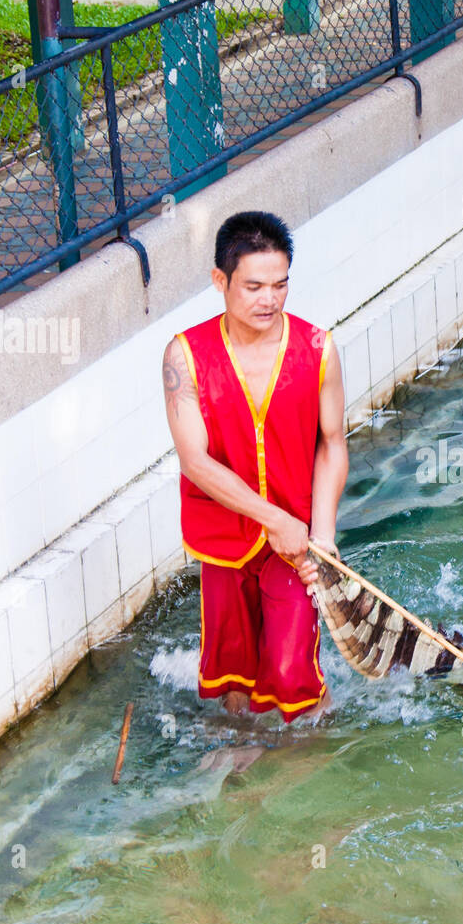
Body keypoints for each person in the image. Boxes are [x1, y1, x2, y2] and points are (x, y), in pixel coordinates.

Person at [161, 211, 348, 762]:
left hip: (296, 544)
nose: (270, 299)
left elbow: (333, 442)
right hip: (224, 538)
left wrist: (324, 533)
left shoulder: (318, 348)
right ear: (220, 281)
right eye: (254, 286)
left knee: (295, 675)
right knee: (233, 677)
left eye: (282, 283)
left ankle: (313, 776)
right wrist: (276, 520)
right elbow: (195, 461)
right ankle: (245, 771)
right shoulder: (185, 356)